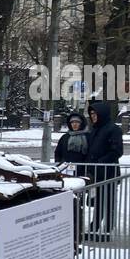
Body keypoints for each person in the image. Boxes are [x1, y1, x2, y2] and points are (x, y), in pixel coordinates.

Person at [84, 100, 123, 238]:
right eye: (92, 114)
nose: (93, 116)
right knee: (97, 201)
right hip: (96, 173)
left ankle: (108, 228)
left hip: (108, 172)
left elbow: (117, 151)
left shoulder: (113, 129)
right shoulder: (94, 129)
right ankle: (95, 226)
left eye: (95, 114)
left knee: (109, 201)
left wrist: (100, 162)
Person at [53, 111, 90, 175]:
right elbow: (58, 152)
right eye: (72, 122)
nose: (74, 124)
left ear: (81, 123)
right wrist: (60, 163)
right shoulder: (65, 137)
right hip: (66, 169)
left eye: (77, 122)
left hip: (83, 170)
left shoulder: (88, 137)